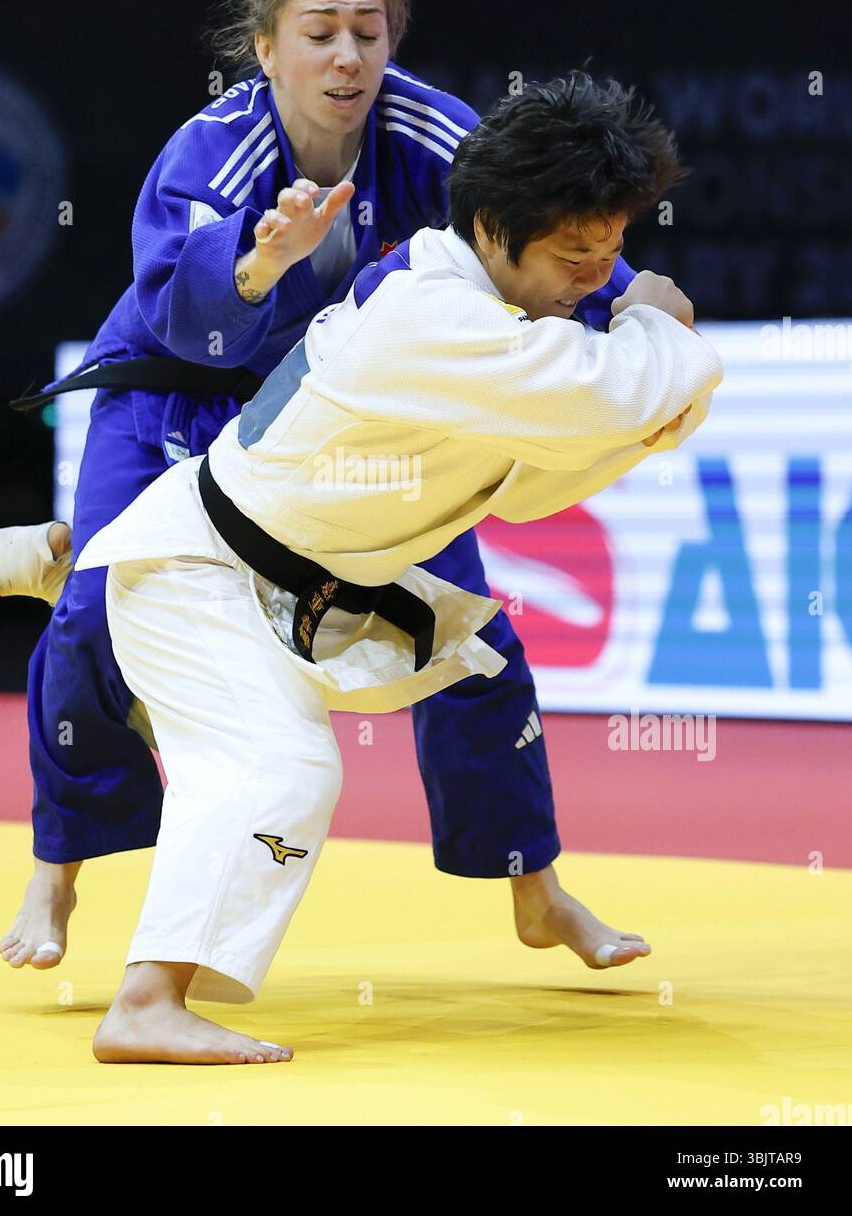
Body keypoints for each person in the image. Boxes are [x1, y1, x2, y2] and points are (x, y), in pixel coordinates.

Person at [0, 0, 646, 977]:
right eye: (319, 33)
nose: (346, 55)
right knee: (91, 623)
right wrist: (259, 270)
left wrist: (631, 311)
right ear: (266, 48)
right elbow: (177, 318)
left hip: (334, 426)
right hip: (176, 400)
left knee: (469, 635)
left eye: (368, 30)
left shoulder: (435, 133)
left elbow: (547, 225)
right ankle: (57, 867)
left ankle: (534, 885)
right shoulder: (211, 151)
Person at [69, 74, 724, 1064]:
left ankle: (532, 892)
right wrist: (655, 323)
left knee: (477, 668)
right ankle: (144, 1004)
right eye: (575, 254)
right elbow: (605, 399)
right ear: (491, 230)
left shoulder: (497, 326)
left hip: (317, 588)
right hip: (201, 579)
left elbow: (539, 475)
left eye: (615, 250)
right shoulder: (431, 313)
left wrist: (647, 393)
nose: (600, 275)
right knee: (281, 769)